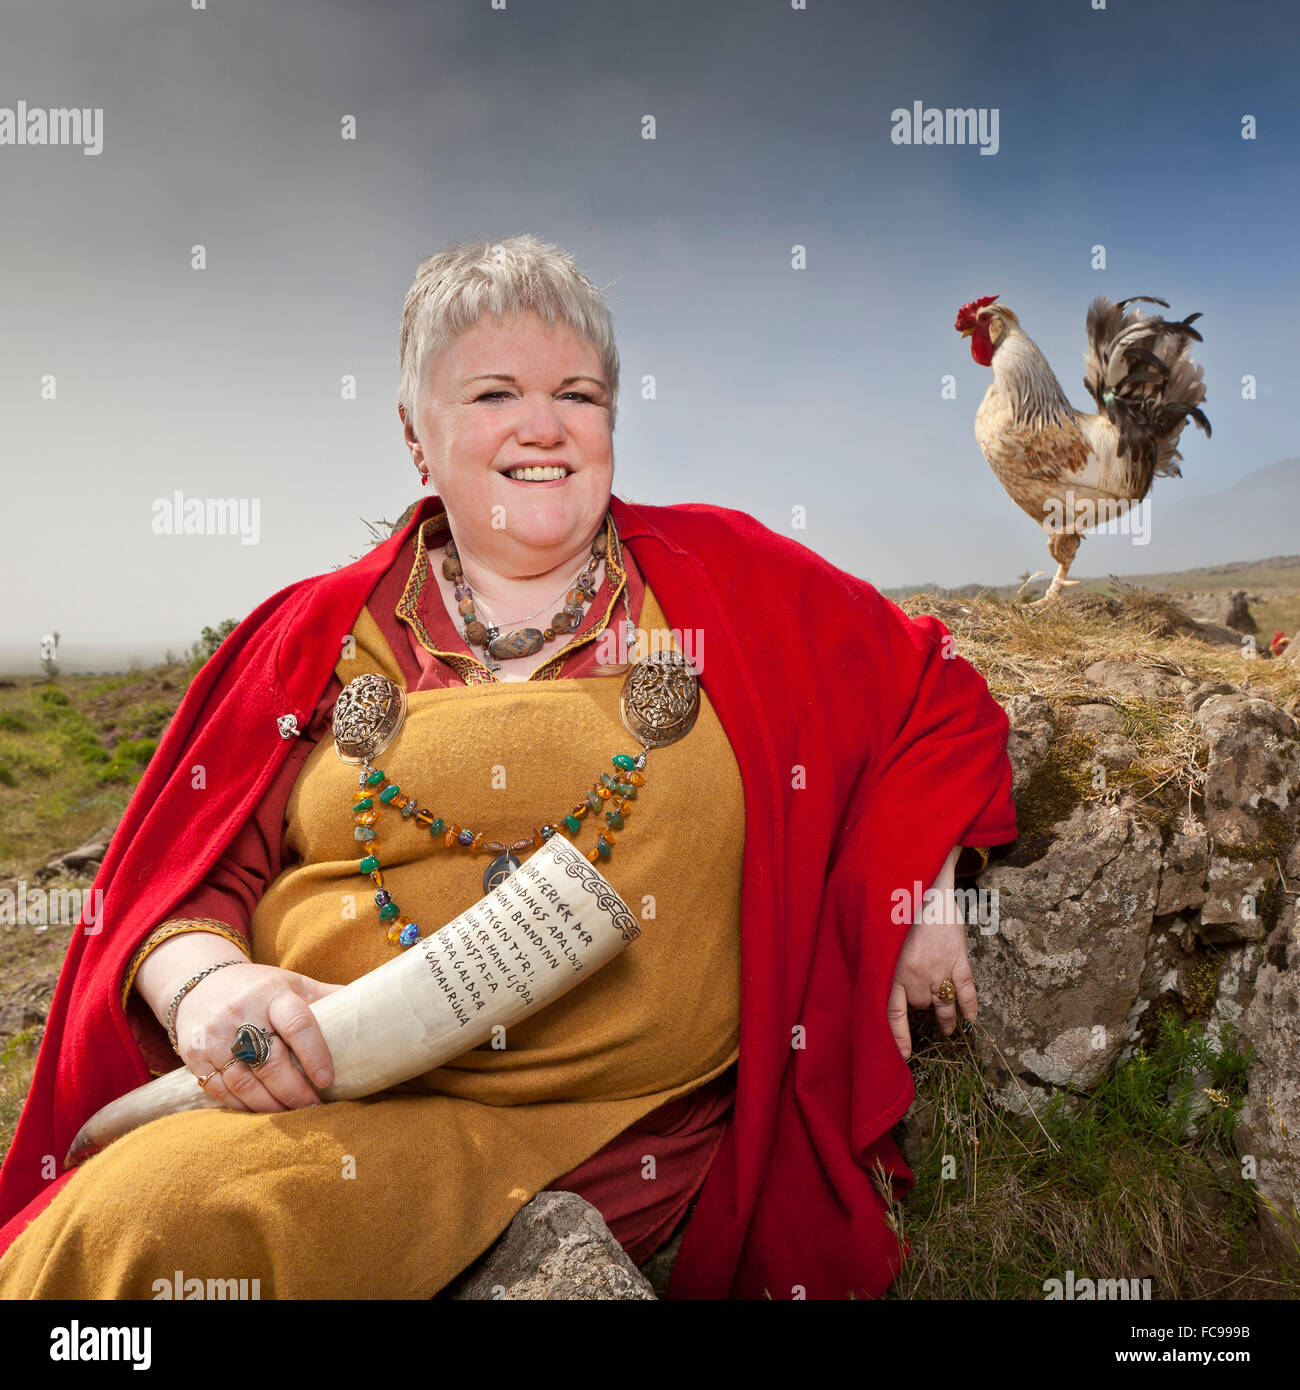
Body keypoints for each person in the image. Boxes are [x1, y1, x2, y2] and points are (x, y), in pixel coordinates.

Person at [0, 235, 1016, 1299]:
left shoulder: (726, 581)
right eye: (494, 393)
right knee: (136, 1228)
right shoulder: (309, 635)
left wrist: (918, 882)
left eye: (578, 394)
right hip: (324, 1109)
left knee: (162, 1221)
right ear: (415, 433)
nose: (544, 426)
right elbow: (182, 879)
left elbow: (931, 692)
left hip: (605, 1130)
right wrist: (209, 988)